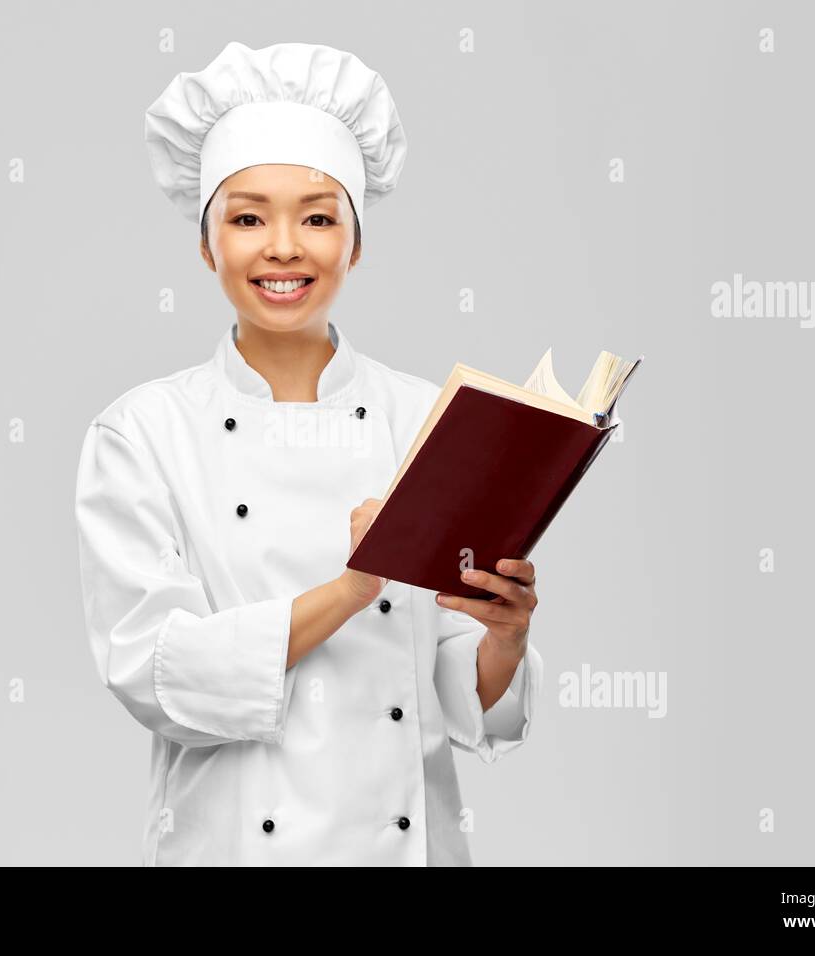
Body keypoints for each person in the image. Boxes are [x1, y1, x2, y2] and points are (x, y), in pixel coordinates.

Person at [75, 40, 543, 866]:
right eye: (248, 217)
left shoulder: (426, 419)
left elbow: (461, 695)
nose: (284, 247)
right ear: (205, 244)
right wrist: (351, 589)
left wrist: (503, 638)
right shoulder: (143, 433)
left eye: (318, 217)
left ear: (355, 243)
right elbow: (158, 672)